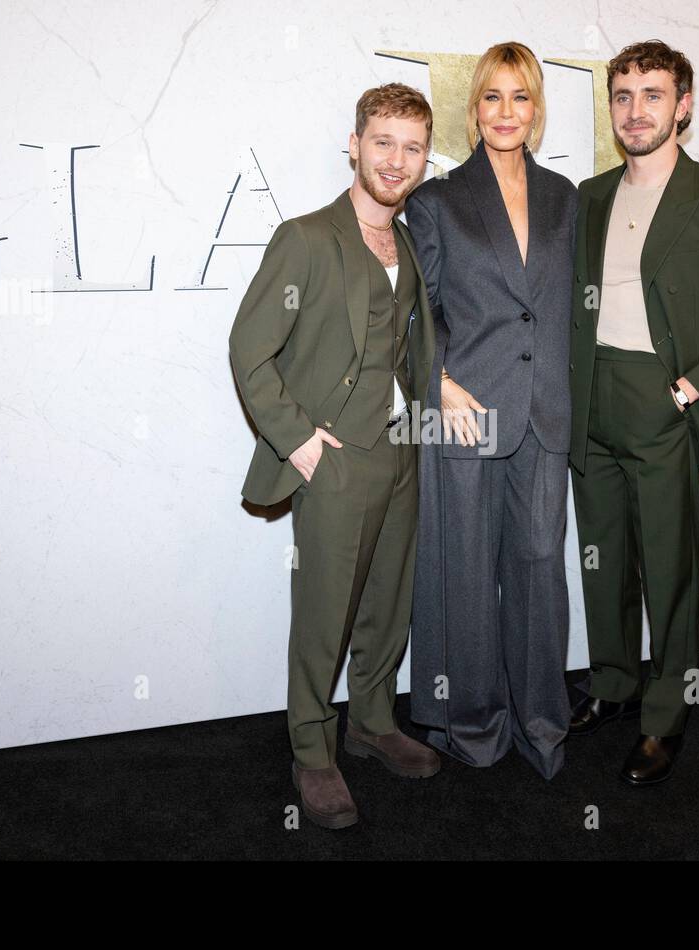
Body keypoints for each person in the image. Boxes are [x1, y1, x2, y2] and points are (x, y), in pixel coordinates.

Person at [567, 40, 699, 785]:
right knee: (602, 562)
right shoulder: (589, 196)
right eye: (623, 96)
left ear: (682, 105)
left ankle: (665, 716)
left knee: (669, 569)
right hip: (590, 403)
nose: (636, 110)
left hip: (663, 404)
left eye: (653, 95)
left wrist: (691, 388)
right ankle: (614, 684)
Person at [229, 83, 439, 829]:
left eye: (412, 147)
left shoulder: (408, 241)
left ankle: (373, 721)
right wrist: (297, 441)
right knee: (325, 614)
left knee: (387, 604)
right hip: (335, 459)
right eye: (382, 141)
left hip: (400, 453)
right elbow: (249, 351)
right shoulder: (307, 237)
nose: (396, 159)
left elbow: (406, 346)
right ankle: (313, 754)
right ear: (354, 145)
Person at [406, 42, 578, 780]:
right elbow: (416, 310)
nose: (505, 112)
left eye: (520, 98)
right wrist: (436, 381)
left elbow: (573, 308)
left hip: (544, 416)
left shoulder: (567, 197)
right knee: (466, 574)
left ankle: (542, 722)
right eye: (491, 97)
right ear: (472, 109)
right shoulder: (437, 200)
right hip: (467, 410)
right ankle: (471, 721)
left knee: (540, 571)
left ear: (536, 111)